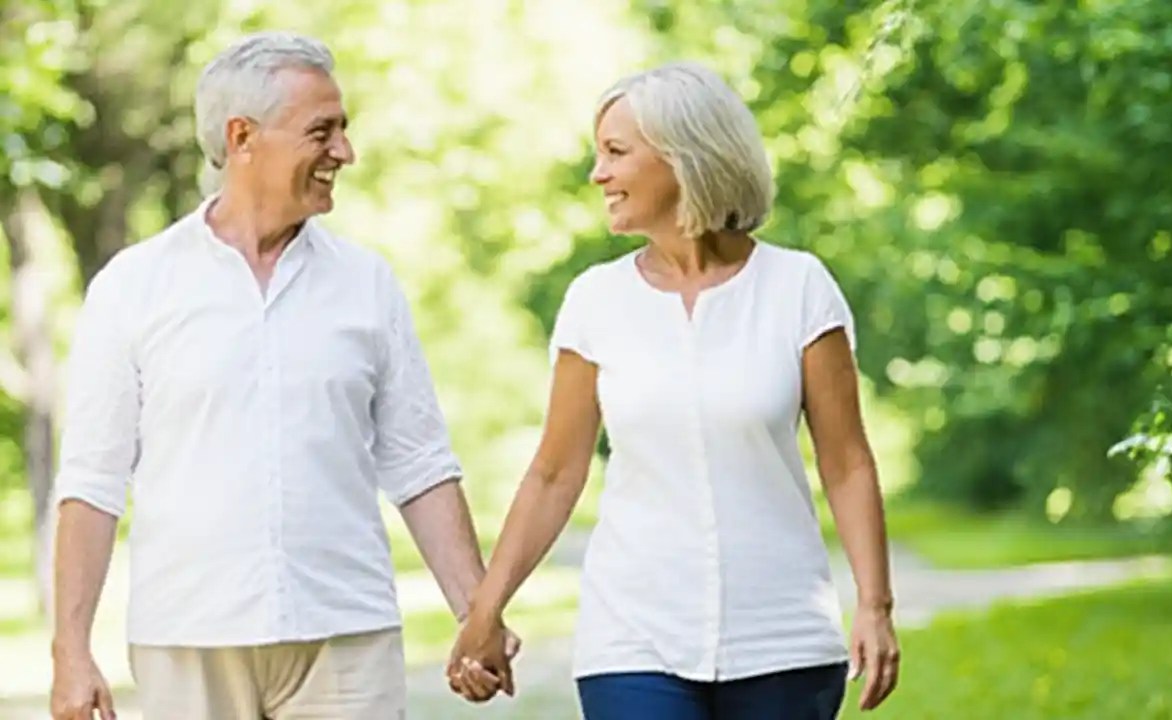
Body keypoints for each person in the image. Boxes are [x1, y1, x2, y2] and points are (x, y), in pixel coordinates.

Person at [48, 31, 514, 720]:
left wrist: (476, 616)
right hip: (189, 636)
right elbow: (92, 480)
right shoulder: (134, 287)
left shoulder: (367, 283)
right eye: (321, 132)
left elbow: (418, 462)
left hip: (345, 633)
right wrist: (70, 650)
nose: (344, 153)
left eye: (344, 130)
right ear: (242, 138)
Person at [448, 61, 900, 718]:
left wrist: (875, 605)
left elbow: (847, 461)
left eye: (616, 153)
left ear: (686, 157)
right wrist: (485, 610)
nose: (597, 174)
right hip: (632, 639)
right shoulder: (595, 301)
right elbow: (554, 472)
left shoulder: (798, 288)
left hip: (781, 641)